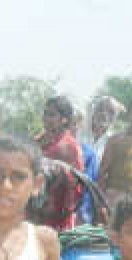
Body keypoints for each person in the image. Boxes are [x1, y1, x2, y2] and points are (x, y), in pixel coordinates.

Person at [31, 96, 84, 231]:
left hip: (56, 215)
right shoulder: (38, 140)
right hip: (33, 209)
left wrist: (58, 170)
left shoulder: (69, 146)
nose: (45, 118)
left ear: (64, 119)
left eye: (51, 115)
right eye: (45, 113)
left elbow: (77, 183)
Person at [78, 95, 123, 163]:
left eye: (110, 112)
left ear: (115, 118)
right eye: (100, 109)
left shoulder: (113, 142)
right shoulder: (78, 129)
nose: (104, 113)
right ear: (94, 110)